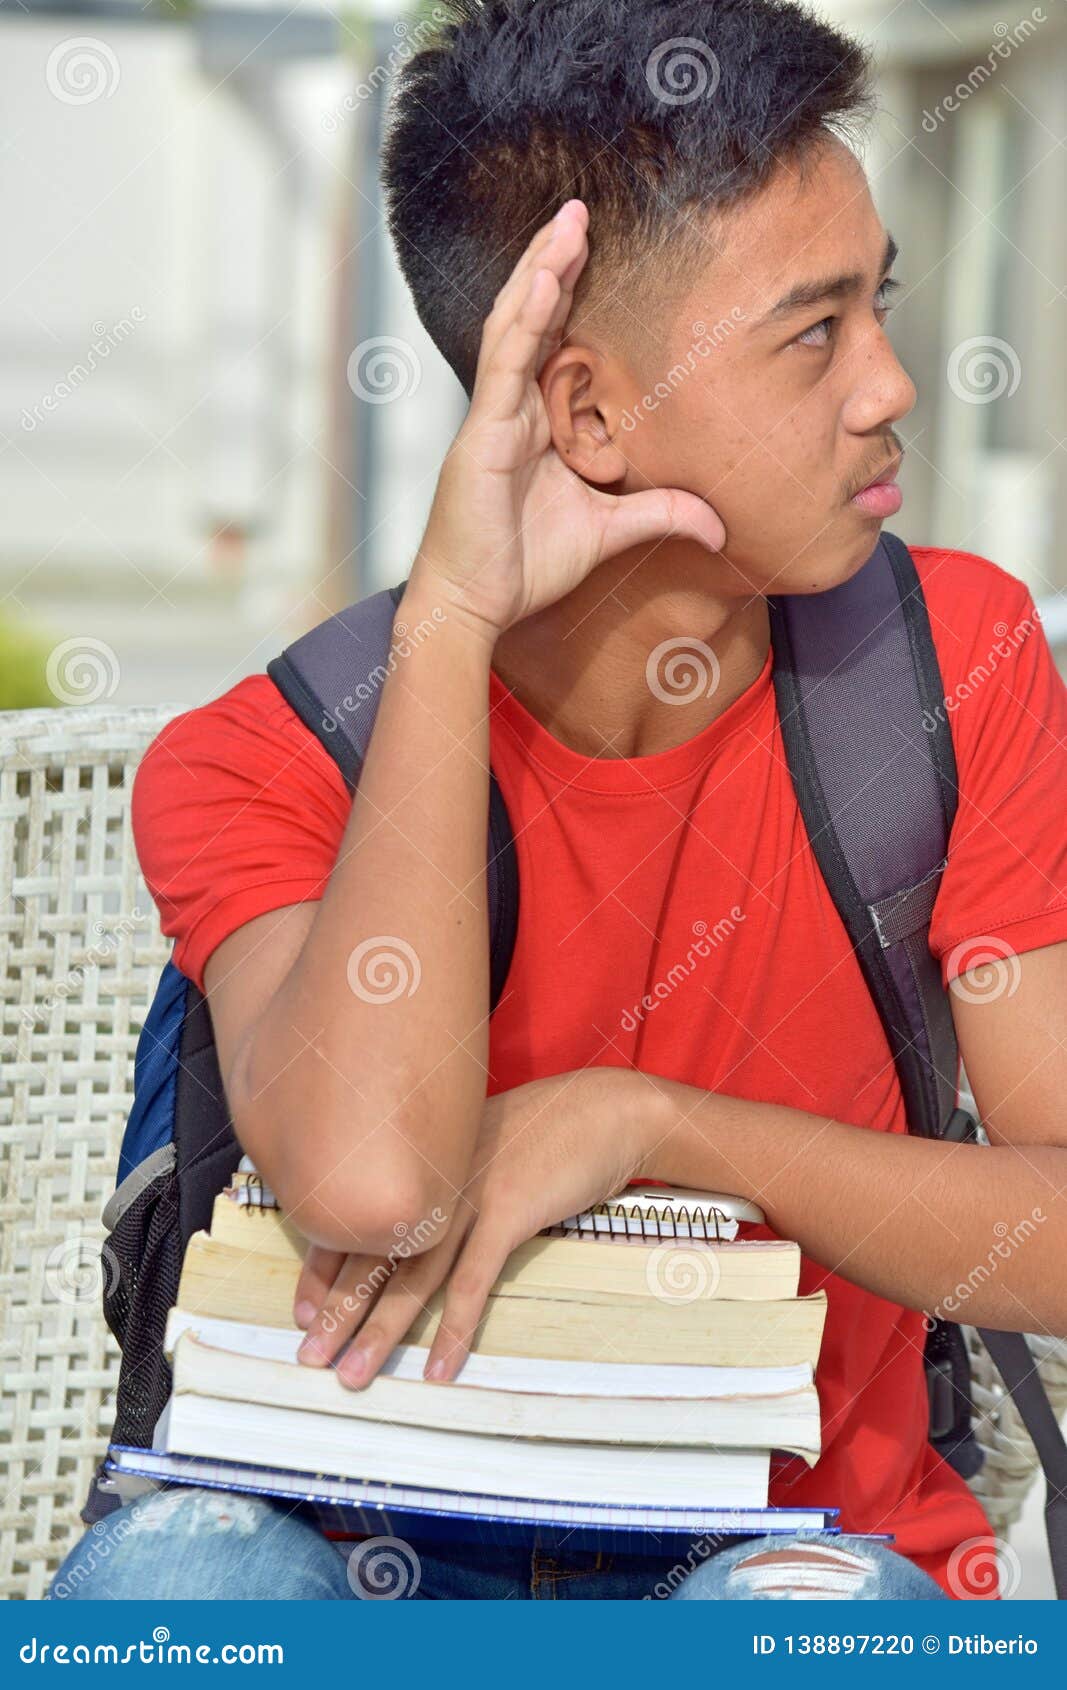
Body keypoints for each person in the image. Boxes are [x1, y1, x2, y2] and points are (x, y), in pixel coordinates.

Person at [52, 0, 1067, 1601]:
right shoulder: (260, 757)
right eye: (814, 333)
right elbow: (374, 1183)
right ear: (584, 411)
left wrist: (654, 1127)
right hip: (349, 1558)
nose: (888, 386)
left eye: (878, 304)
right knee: (174, 1597)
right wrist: (453, 618)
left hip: (790, 1549)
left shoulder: (958, 665)